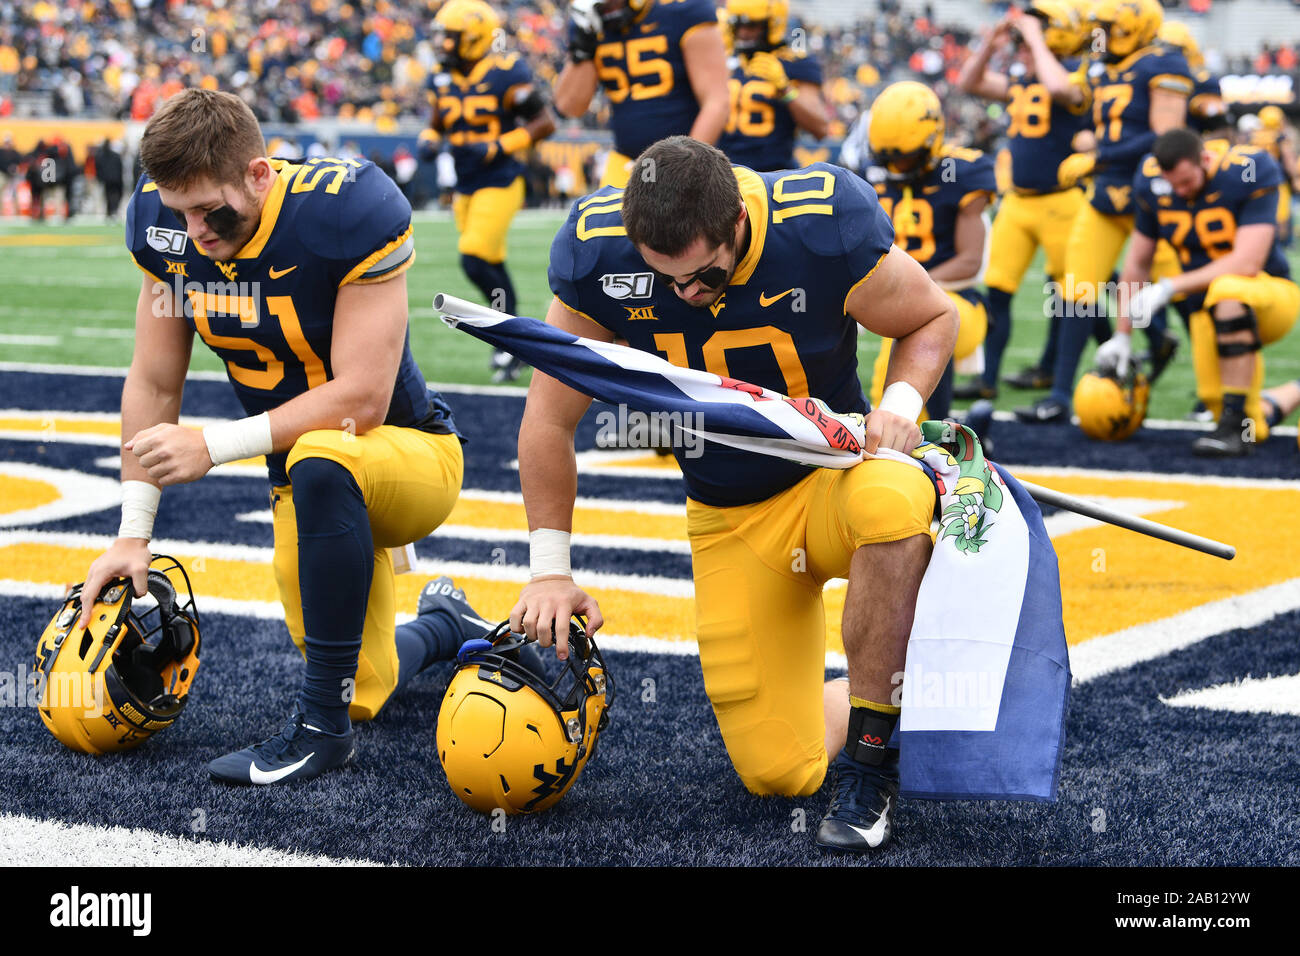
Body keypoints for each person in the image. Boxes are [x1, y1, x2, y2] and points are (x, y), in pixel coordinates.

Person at [512, 136, 958, 851]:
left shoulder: (820, 224)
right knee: (779, 771)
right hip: (731, 516)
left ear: (740, 226)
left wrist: (900, 402)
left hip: (834, 477)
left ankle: (873, 761)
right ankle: (898, 685)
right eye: (668, 281)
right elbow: (546, 421)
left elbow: (933, 317)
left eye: (705, 278)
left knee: (893, 503)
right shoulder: (600, 255)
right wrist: (551, 569)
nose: (687, 295)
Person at [79, 89, 492, 785]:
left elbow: (360, 398)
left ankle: (318, 732)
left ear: (260, 175)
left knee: (323, 452)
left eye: (210, 209)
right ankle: (447, 625)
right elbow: (153, 384)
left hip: (407, 454)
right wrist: (132, 533)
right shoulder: (165, 229)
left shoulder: (345, 209)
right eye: (178, 210)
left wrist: (210, 446)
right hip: (302, 482)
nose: (196, 230)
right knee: (365, 685)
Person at [1017, 0, 1189, 424]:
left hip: (1150, 191)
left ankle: (1224, 400)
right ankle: (1058, 396)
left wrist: (1098, 155)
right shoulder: (1097, 64)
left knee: (1187, 292)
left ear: (1135, 26)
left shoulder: (1164, 62)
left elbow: (1165, 134)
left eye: (1109, 28)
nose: (1102, 36)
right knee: (1076, 292)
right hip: (1106, 193)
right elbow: (1070, 93)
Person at [1095, 128, 1298, 456]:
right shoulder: (1151, 181)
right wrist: (1123, 335)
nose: (1180, 191)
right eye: (1173, 185)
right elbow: (1137, 263)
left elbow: (1247, 261)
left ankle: (1231, 429)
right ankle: (1272, 404)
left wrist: (1170, 286)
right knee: (1251, 425)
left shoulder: (1248, 169)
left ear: (1206, 160)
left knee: (1227, 289)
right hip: (1207, 308)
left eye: (1187, 182)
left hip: (1271, 296)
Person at [956, 1, 1092, 400]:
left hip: (1062, 201)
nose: (1024, 49)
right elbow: (969, 82)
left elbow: (1058, 87)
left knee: (1072, 295)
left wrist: (1035, 36)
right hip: (1018, 201)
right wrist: (989, 44)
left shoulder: (1078, 74)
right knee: (996, 289)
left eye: (1032, 40)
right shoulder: (1020, 75)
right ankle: (986, 379)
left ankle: (1058, 372)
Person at [420, 0, 558, 383]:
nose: (442, 45)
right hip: (465, 187)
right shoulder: (440, 77)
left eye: (450, 38)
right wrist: (429, 138)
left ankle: (508, 338)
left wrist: (499, 146)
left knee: (474, 257)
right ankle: (514, 346)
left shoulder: (506, 71)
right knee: (491, 265)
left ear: (473, 39)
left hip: (500, 180)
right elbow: (436, 121)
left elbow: (544, 123)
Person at [862, 81, 996, 422]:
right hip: (895, 305)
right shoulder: (870, 175)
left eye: (905, 156)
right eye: (889, 158)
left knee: (925, 321)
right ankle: (947, 433)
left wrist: (907, 288)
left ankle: (942, 425)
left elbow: (969, 261)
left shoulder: (963, 173)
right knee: (888, 403)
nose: (897, 167)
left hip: (957, 301)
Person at [555, 0, 729, 188]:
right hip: (625, 159)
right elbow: (569, 108)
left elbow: (717, 101)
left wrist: (686, 162)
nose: (609, 10)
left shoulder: (684, 9)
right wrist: (582, 47)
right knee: (606, 216)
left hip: (687, 156)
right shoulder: (589, 20)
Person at [716, 0, 829, 172]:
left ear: (773, 23)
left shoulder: (795, 62)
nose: (743, 33)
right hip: (724, 172)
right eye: (738, 26)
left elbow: (820, 128)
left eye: (752, 26)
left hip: (772, 174)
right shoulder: (725, 58)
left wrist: (785, 89)